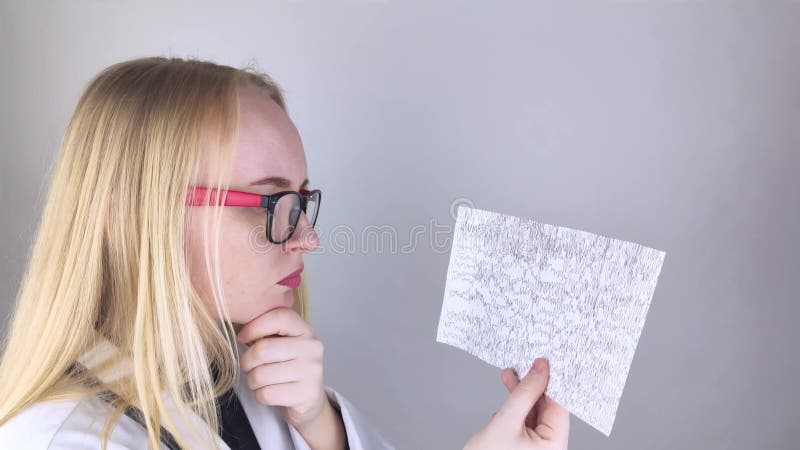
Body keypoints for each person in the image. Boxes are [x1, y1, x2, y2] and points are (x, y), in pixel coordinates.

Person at [0, 56, 570, 450]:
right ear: (132, 214)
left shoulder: (248, 381)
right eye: (272, 201)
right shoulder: (60, 438)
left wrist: (322, 426)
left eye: (301, 201)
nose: (307, 238)